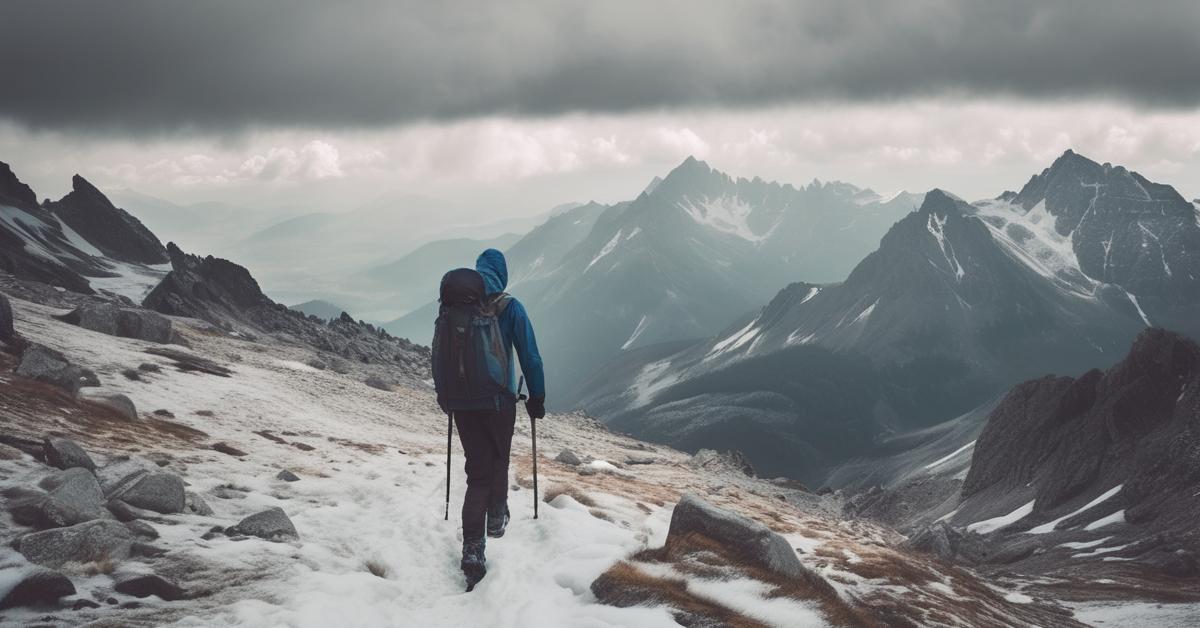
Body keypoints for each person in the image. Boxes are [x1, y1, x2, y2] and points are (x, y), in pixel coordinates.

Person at [453, 248, 545, 588]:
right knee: (499, 460)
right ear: (501, 274)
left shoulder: (455, 306)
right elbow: (530, 356)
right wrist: (537, 397)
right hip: (498, 402)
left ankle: (472, 549)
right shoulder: (509, 307)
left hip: (462, 404)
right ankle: (496, 517)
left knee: (477, 473)